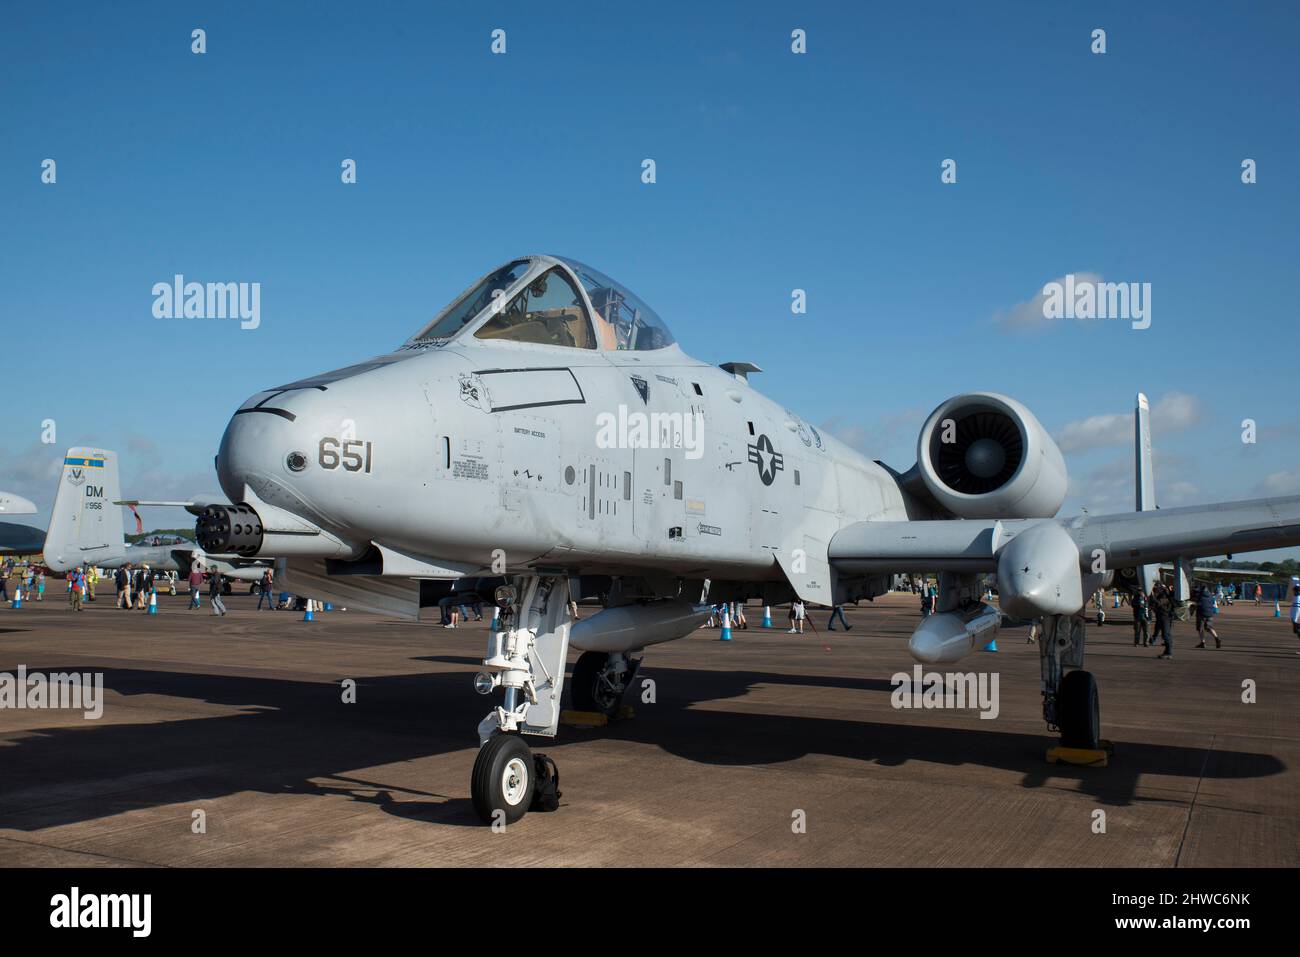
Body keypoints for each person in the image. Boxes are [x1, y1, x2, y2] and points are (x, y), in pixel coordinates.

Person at [1151, 582, 1174, 659]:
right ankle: (1167, 652)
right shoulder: (1163, 595)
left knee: (1166, 634)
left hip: (1165, 616)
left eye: (1157, 588)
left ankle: (1169, 653)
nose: (1155, 589)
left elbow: (1158, 603)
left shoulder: (1165, 596)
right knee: (1164, 634)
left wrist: (1151, 596)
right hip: (1161, 616)